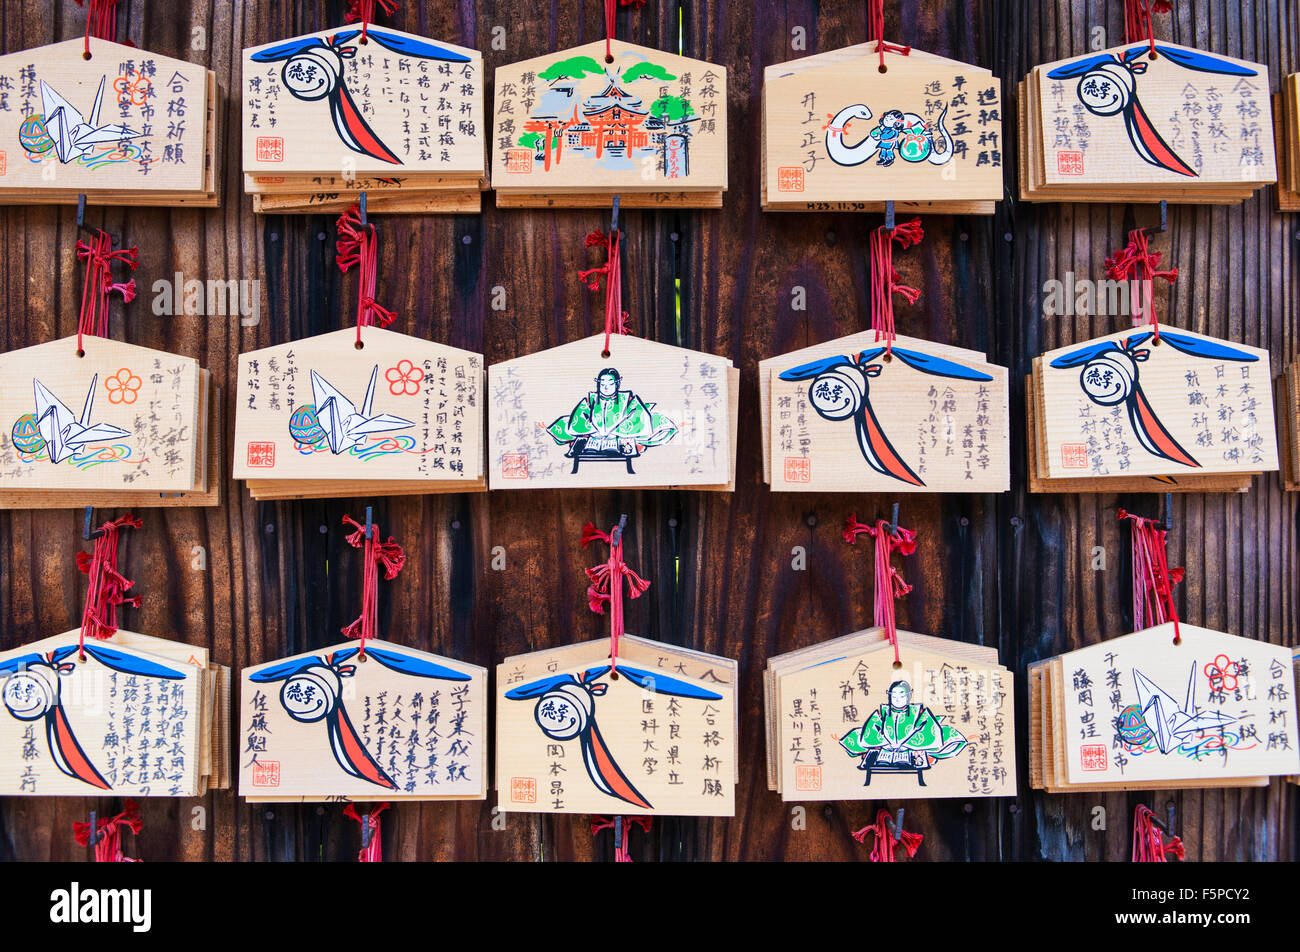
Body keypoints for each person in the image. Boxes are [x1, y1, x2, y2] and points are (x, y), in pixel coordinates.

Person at [839, 680, 968, 772]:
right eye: (894, 696)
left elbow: (928, 727)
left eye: (901, 695)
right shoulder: (884, 711)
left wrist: (907, 743)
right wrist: (885, 741)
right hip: (886, 747)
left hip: (911, 746)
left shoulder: (916, 711)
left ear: (908, 696)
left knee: (946, 736)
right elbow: (871, 729)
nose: (897, 699)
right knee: (856, 736)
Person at [546, 368, 678, 455]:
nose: (606, 387)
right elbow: (579, 417)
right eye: (602, 384)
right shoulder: (592, 398)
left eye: (610, 383)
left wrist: (616, 429)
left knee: (657, 423)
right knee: (563, 425)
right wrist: (593, 428)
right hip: (594, 435)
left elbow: (638, 415)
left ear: (617, 383)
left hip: (620, 435)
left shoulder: (626, 398)